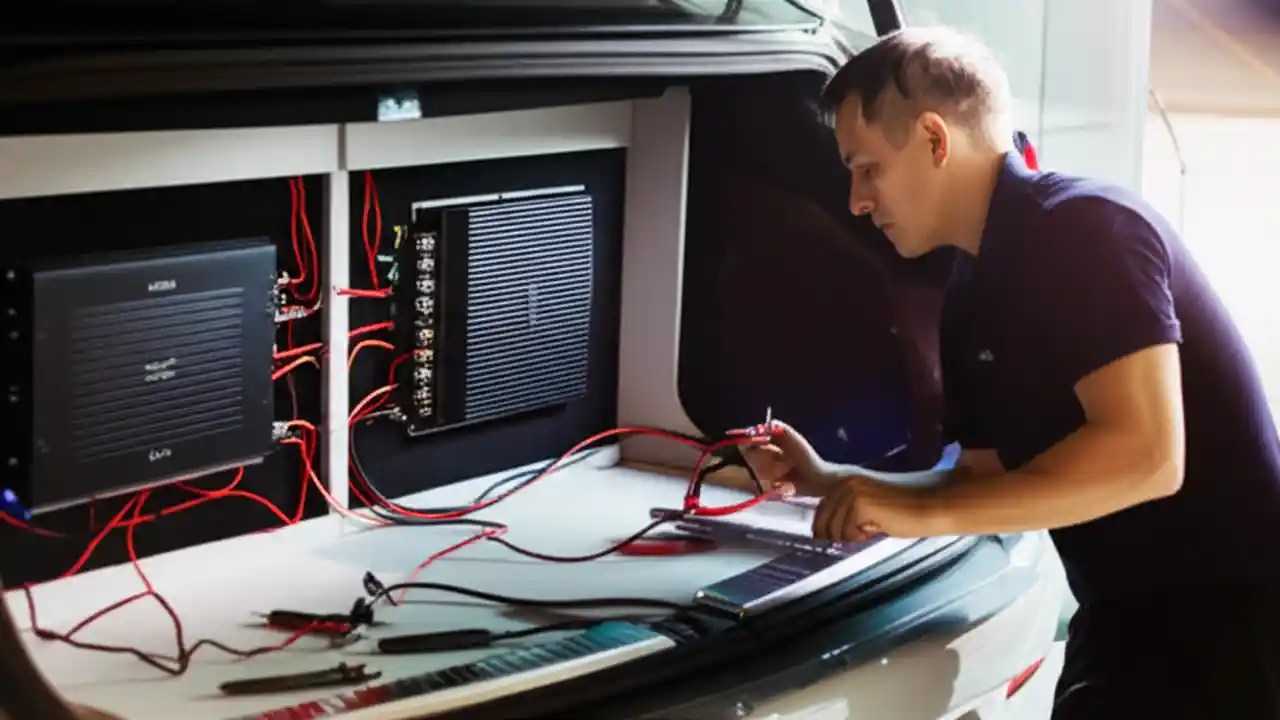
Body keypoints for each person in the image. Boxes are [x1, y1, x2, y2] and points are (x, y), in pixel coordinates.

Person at [742, 26, 1280, 719]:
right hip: (1121, 627)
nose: (856, 200)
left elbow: (1149, 456)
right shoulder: (970, 290)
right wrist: (830, 480)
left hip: (1235, 635)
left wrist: (919, 513)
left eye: (866, 167)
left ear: (935, 140)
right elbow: (982, 482)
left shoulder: (1089, 229)